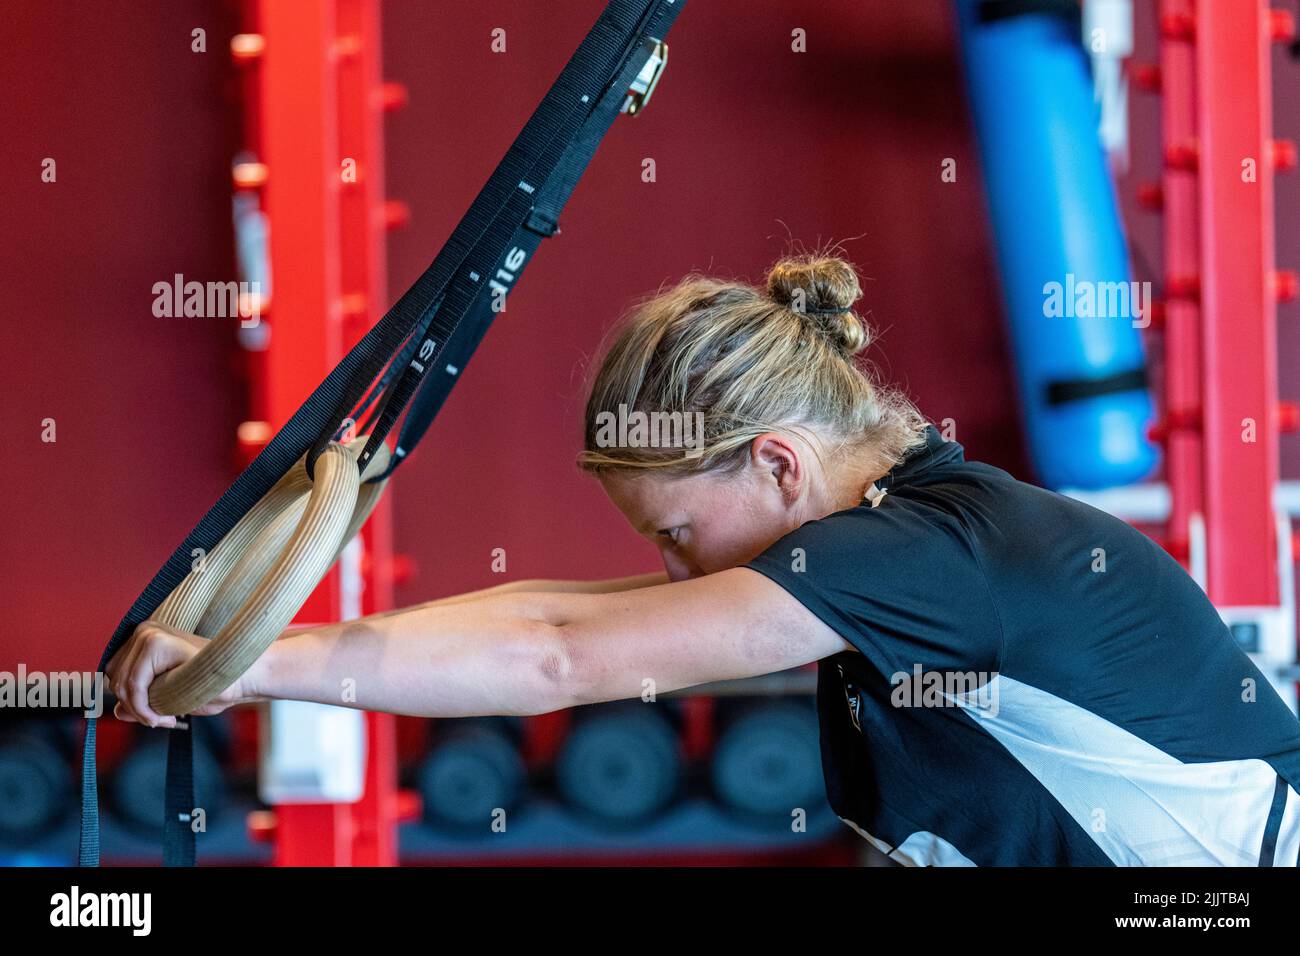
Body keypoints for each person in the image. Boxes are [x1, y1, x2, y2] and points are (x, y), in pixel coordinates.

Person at [109, 254, 1300, 866]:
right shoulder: (906, 540)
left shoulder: (926, 554)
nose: (676, 574)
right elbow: (557, 610)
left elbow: (555, 655)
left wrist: (248, 662)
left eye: (677, 532)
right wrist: (254, 651)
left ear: (779, 464)